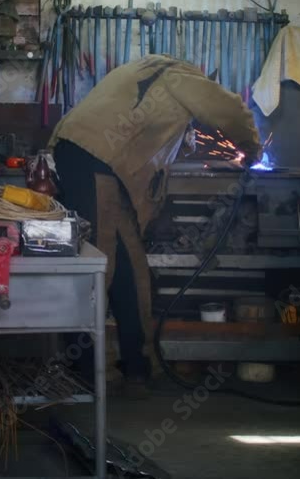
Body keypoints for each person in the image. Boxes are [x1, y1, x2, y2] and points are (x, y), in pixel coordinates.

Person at [49, 55, 261, 396]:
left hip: (85, 156)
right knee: (99, 264)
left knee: (130, 265)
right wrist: (251, 147)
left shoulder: (145, 68)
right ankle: (90, 369)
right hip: (95, 161)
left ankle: (138, 365)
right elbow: (230, 110)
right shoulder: (182, 76)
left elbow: (154, 132)